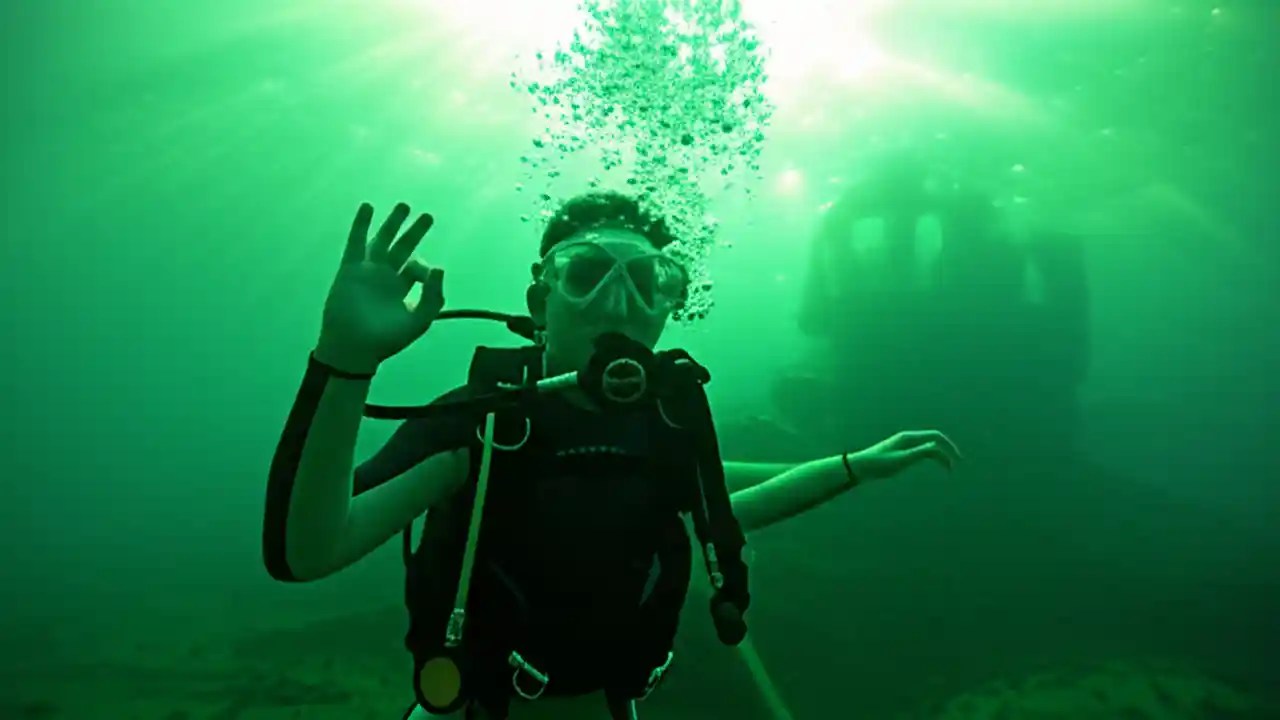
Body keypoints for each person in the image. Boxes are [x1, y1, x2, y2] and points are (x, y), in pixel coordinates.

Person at [262, 192, 961, 719]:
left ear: (668, 305)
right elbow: (311, 552)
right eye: (587, 273)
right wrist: (345, 363)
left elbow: (716, 499)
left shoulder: (667, 423)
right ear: (541, 301)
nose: (618, 301)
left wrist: (853, 466)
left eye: (649, 281)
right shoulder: (485, 423)